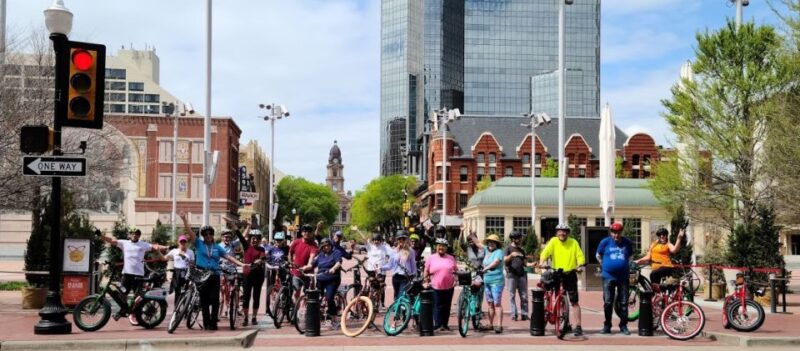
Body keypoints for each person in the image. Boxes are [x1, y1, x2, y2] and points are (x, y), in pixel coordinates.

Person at [180, 213, 248, 330]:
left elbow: (228, 257)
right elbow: (190, 231)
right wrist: (184, 220)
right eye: (206, 234)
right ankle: (207, 323)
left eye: (210, 233)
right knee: (204, 301)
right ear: (203, 235)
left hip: (214, 274)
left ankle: (213, 323)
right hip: (201, 274)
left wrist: (242, 264)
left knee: (215, 300)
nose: (208, 235)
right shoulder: (199, 243)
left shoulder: (217, 247)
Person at [539, 223, 586, 336]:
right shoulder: (553, 241)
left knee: (574, 302)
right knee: (557, 298)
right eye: (560, 231)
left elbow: (580, 256)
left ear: (568, 233)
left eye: (564, 231)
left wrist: (579, 265)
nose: (562, 233)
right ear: (556, 233)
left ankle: (578, 326)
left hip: (570, 273)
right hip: (557, 273)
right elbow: (545, 253)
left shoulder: (573, 242)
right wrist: (542, 262)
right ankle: (562, 321)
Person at [98, 227, 169, 299]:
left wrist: (167, 247)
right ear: (129, 235)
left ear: (139, 235)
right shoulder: (124, 243)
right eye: (132, 233)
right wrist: (101, 235)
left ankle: (137, 310)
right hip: (127, 274)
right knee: (123, 294)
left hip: (138, 275)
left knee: (138, 296)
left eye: (137, 234)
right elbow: (111, 240)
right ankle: (125, 309)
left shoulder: (143, 244)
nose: (134, 235)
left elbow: (155, 246)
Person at [596, 222, 634, 335]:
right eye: (614, 233)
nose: (616, 235)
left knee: (623, 302)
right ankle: (607, 325)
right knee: (608, 302)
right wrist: (604, 265)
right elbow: (598, 254)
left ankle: (623, 325)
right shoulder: (605, 242)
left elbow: (631, 256)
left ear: (621, 233)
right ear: (611, 232)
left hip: (623, 276)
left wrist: (627, 265)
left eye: (618, 233)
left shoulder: (627, 242)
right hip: (608, 276)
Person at [304, 237, 343, 320]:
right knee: (316, 297)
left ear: (331, 245)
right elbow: (312, 265)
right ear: (322, 247)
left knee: (329, 298)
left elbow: (338, 263)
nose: (326, 247)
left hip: (332, 279)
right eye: (324, 246)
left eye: (328, 245)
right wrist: (303, 268)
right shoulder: (320, 255)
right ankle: (319, 313)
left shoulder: (336, 253)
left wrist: (333, 269)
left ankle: (334, 318)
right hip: (320, 279)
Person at [423, 237, 458, 331]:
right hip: (436, 286)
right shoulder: (431, 258)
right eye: (439, 246)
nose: (441, 248)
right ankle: (438, 324)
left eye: (443, 246)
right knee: (437, 306)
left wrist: (456, 280)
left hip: (449, 287)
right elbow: (426, 271)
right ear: (436, 247)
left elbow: (455, 270)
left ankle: (445, 324)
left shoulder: (451, 258)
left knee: (447, 306)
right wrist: (425, 281)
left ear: (446, 248)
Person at [474, 234, 505, 333]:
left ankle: (499, 325)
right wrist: (471, 235)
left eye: (493, 242)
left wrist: (485, 269)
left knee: (497, 303)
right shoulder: (487, 250)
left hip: (497, 282)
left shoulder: (499, 252)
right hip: (487, 281)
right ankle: (491, 324)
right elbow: (478, 244)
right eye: (489, 242)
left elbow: (496, 262)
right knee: (490, 303)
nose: (490, 244)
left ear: (496, 244)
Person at [240, 228, 266, 326]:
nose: (254, 240)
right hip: (247, 275)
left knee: (256, 296)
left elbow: (263, 258)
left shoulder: (261, 249)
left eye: (256, 238)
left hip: (258, 275)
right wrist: (235, 226)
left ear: (259, 240)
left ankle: (254, 317)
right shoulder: (246, 246)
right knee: (246, 297)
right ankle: (246, 318)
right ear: (250, 238)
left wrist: (258, 261)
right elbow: (240, 236)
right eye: (252, 238)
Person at [382, 230, 417, 300]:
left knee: (401, 296)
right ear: (397, 240)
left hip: (405, 277)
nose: (401, 240)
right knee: (396, 296)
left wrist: (414, 276)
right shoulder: (394, 251)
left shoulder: (411, 251)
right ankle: (396, 310)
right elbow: (390, 265)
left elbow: (413, 264)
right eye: (399, 239)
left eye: (403, 239)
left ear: (406, 240)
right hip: (396, 277)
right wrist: (381, 268)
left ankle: (402, 310)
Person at [288, 224, 319, 301]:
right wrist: (290, 262)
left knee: (308, 295)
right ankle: (296, 311)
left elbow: (312, 257)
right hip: (296, 272)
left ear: (312, 233)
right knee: (296, 292)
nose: (307, 233)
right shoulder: (296, 242)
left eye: (309, 232)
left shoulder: (313, 245)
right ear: (302, 233)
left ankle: (306, 310)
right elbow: (290, 253)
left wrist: (308, 266)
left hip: (308, 274)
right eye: (305, 231)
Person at [362, 232, 392, 308]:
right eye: (374, 240)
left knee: (381, 287)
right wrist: (361, 235)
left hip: (381, 270)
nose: (376, 242)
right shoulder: (370, 247)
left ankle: (382, 303)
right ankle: (371, 302)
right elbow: (365, 241)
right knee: (372, 286)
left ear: (380, 240)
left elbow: (392, 253)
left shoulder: (385, 247)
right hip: (371, 269)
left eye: (378, 240)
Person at [504, 230, 529, 322]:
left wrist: (533, 264)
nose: (520, 239)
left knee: (524, 296)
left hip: (522, 275)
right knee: (511, 295)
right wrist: (511, 255)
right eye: (518, 238)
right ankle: (514, 314)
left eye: (520, 238)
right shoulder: (508, 249)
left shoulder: (522, 250)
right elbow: (504, 260)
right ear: (513, 239)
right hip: (511, 275)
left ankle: (524, 314)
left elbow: (525, 263)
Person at [163, 235, 195, 304]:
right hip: (177, 272)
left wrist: (188, 262)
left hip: (186, 271)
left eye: (184, 241)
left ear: (186, 243)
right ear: (178, 242)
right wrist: (158, 251)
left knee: (186, 291)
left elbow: (192, 263)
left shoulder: (190, 252)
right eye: (181, 242)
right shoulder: (174, 251)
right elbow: (164, 258)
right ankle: (176, 310)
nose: (183, 243)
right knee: (177, 291)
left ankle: (185, 309)